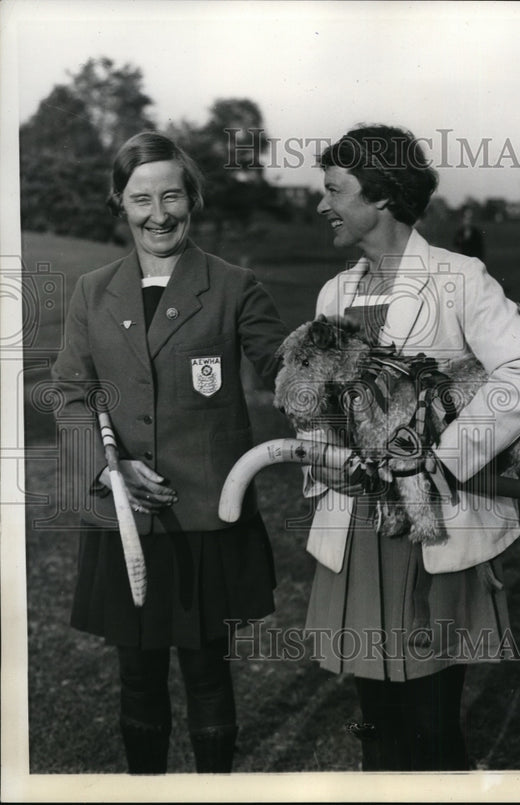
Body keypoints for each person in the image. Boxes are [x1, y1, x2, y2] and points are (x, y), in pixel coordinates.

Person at [300, 124, 520, 771]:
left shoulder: (460, 278)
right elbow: (319, 400)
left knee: (433, 728)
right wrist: (324, 452)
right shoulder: (335, 293)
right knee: (376, 725)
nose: (321, 204)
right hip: (358, 529)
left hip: (432, 528)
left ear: (382, 198)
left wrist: (444, 459)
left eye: (334, 190)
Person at [51, 131, 288, 774]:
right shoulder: (93, 292)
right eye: (140, 199)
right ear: (118, 204)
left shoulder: (235, 285)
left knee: (208, 675)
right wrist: (110, 469)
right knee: (138, 677)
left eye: (171, 196)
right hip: (125, 519)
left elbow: (288, 374)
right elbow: (71, 395)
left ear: (193, 198)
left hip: (208, 521)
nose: (158, 214)